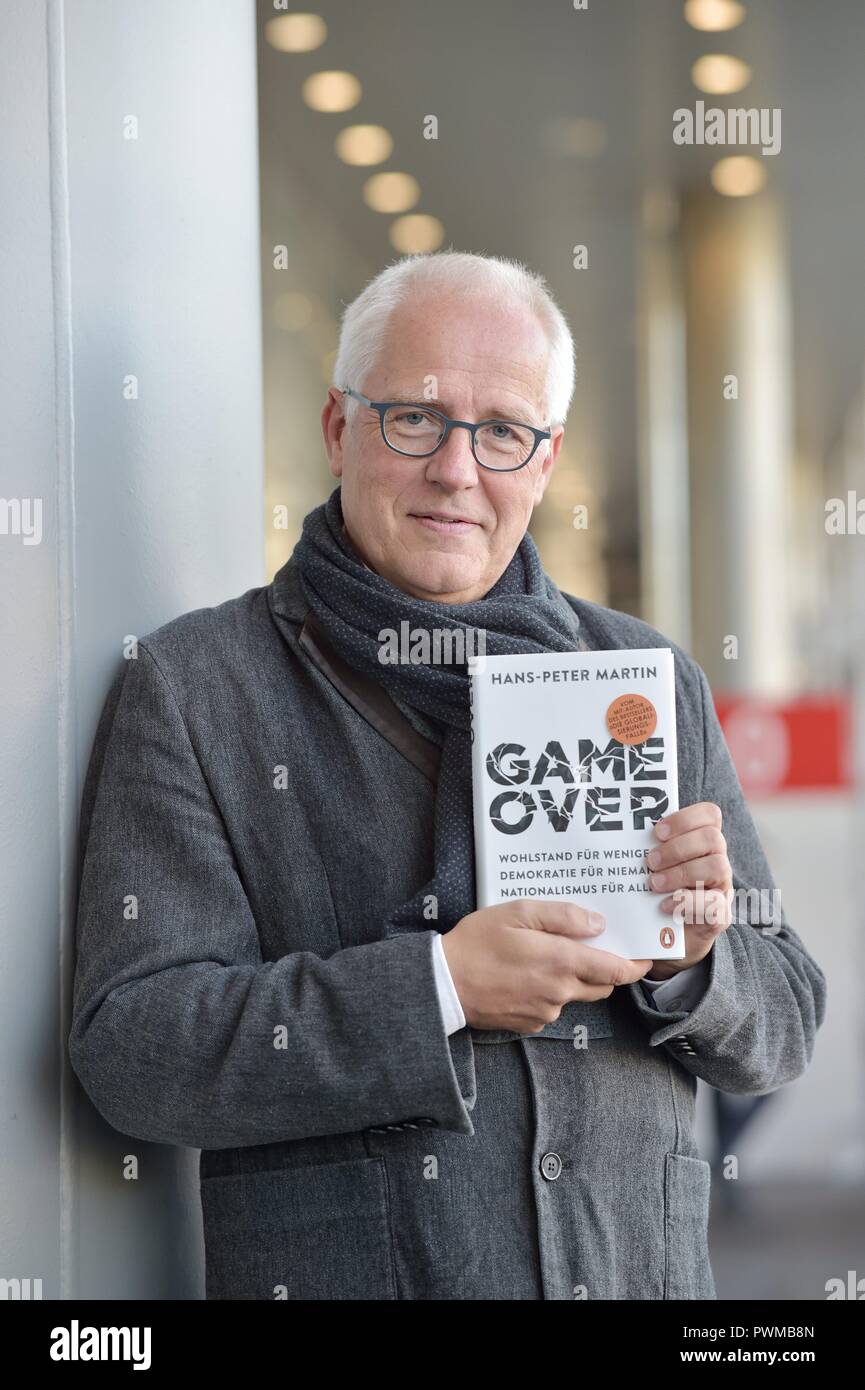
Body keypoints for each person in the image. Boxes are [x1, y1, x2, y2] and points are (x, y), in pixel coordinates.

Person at [68, 251, 826, 1300]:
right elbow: (134, 1046)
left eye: (503, 431)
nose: (457, 471)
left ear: (547, 459)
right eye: (414, 419)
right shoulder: (198, 688)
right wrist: (437, 989)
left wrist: (689, 959)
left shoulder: (649, 684)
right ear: (339, 429)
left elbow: (784, 1021)